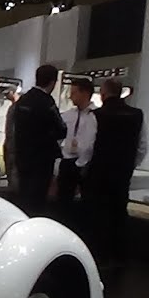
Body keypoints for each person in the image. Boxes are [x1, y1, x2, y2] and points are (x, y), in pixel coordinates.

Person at [87, 78, 147, 269]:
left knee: (97, 213)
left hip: (99, 171)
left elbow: (89, 145)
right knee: (119, 212)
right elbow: (143, 146)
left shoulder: (96, 115)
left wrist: (85, 165)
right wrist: (129, 165)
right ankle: (120, 255)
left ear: (103, 94)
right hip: (122, 172)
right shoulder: (137, 115)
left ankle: (99, 255)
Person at [12, 64, 67, 214]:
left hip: (23, 158)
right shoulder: (47, 102)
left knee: (23, 199)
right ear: (53, 82)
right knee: (37, 202)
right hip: (41, 161)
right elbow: (61, 130)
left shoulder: (23, 101)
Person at [55, 77, 96, 216]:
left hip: (86, 164)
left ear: (84, 93)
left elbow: (93, 142)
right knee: (63, 201)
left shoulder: (95, 116)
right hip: (67, 162)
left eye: (74, 92)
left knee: (86, 202)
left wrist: (83, 163)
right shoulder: (66, 115)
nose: (70, 96)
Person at [1, 89, 20, 189]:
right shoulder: (13, 107)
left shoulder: (17, 108)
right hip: (10, 144)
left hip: (14, 146)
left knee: (13, 174)